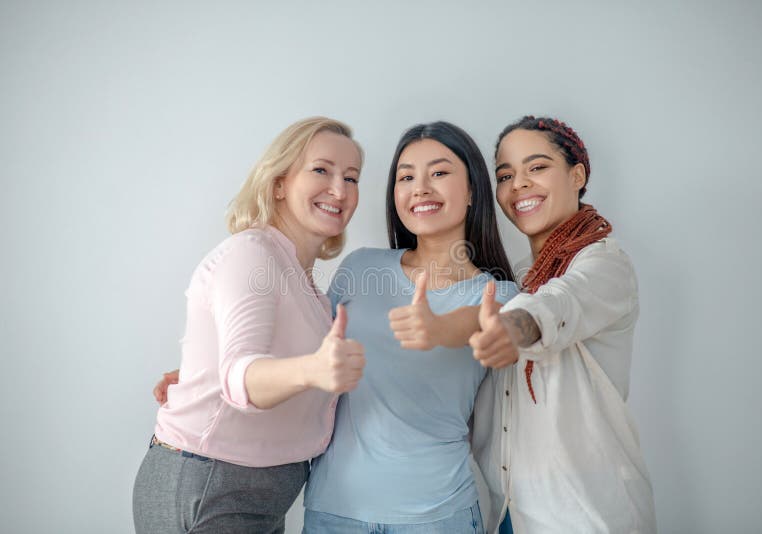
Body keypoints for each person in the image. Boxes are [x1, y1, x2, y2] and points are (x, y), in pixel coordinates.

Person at [133, 117, 367, 534]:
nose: (340, 189)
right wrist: (315, 368)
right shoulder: (253, 256)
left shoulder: (301, 279)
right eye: (321, 170)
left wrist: (197, 375)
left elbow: (242, 360)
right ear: (278, 183)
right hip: (211, 485)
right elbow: (241, 377)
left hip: (252, 492)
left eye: (351, 177)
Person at [301, 122, 519, 533]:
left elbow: (488, 325)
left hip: (438, 517)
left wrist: (438, 328)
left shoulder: (500, 295)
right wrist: (215, 375)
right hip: (334, 512)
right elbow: (305, 351)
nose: (419, 188)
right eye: (406, 177)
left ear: (473, 190)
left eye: (438, 173)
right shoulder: (360, 268)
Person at [469, 116, 657, 533]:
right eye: (505, 174)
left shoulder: (604, 263)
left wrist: (512, 329)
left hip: (584, 515)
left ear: (577, 175)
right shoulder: (517, 276)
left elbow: (558, 305)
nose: (517, 184)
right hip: (508, 514)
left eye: (536, 167)